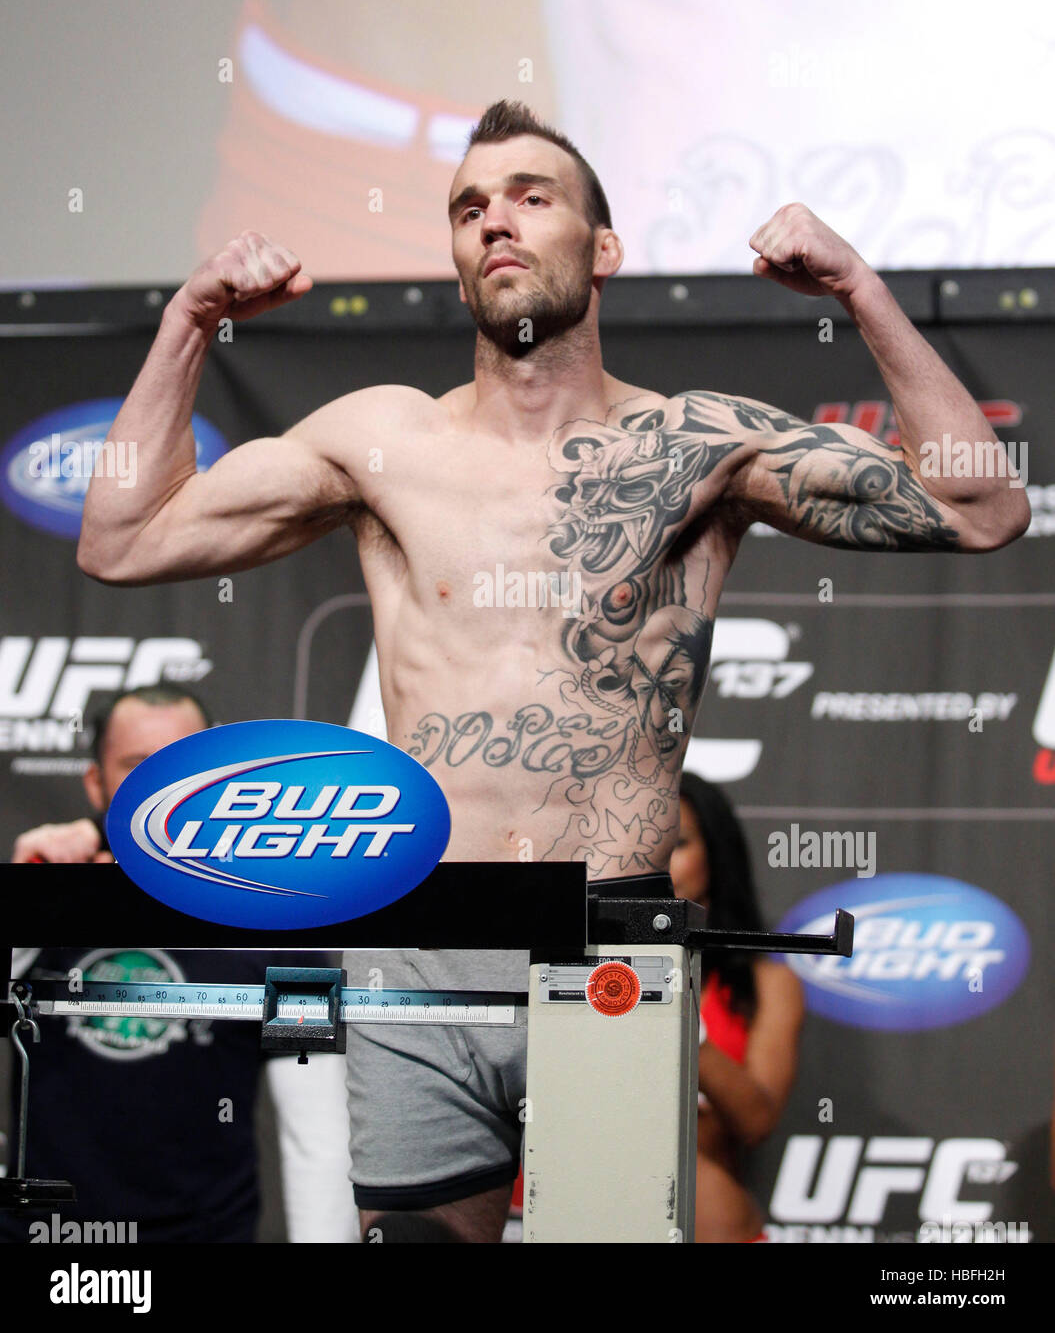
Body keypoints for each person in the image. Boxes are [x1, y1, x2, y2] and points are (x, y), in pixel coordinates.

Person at [76, 99, 1029, 1242]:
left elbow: (979, 506)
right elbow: (121, 536)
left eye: (532, 197)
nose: (497, 222)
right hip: (413, 937)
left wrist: (858, 291)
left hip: (607, 932)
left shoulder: (695, 445)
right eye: (469, 207)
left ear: (605, 248)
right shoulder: (384, 444)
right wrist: (193, 316)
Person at [4, 684, 358, 1244]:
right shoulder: (49, 889)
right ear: (95, 783)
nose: (162, 789)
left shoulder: (283, 925)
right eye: (137, 767)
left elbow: (319, 1128)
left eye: (182, 765)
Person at [669, 772, 803, 1243]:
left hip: (712, 1225)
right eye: (646, 843)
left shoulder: (769, 983)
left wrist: (674, 1017)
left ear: (716, 856)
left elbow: (756, 1121)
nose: (658, 862)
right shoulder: (576, 969)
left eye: (678, 843)